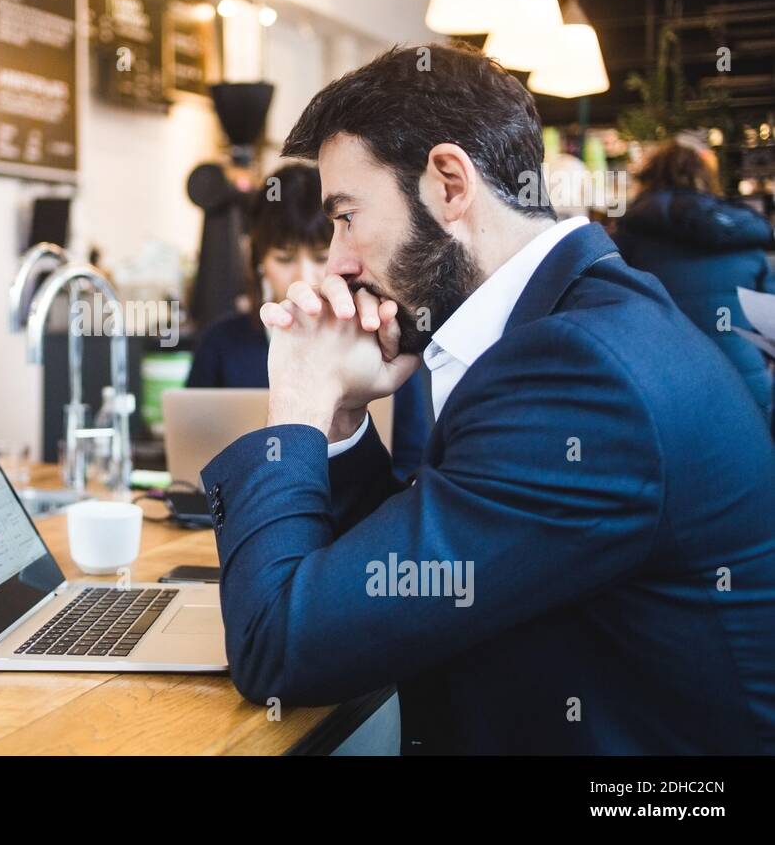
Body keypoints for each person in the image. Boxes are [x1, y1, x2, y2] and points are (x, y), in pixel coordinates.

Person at [200, 43, 775, 754]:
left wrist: (298, 401)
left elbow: (278, 648)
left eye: (347, 217)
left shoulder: (577, 376)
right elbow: (386, 582)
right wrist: (344, 419)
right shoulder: (571, 323)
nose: (339, 260)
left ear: (448, 183)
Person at [186, 164, 432, 480]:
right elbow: (191, 452)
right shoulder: (220, 342)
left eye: (319, 257)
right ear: (258, 260)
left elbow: (412, 465)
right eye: (284, 259)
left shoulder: (379, 336)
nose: (304, 277)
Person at [615, 139, 774, 420]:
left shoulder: (629, 236)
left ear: (647, 179)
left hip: (664, 389)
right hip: (746, 384)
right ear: (705, 177)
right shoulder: (743, 231)